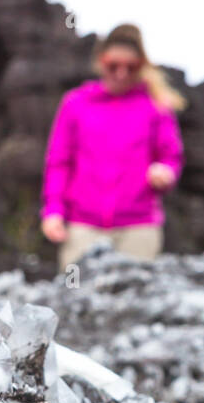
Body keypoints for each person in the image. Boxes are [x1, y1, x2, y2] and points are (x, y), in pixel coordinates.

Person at [40, 24, 186, 270]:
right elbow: (59, 162)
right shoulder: (75, 103)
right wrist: (53, 210)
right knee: (76, 300)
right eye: (113, 65)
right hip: (82, 227)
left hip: (139, 228)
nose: (121, 73)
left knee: (137, 304)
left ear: (142, 65)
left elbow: (171, 156)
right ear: (100, 62)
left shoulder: (157, 105)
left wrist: (166, 172)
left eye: (131, 67)